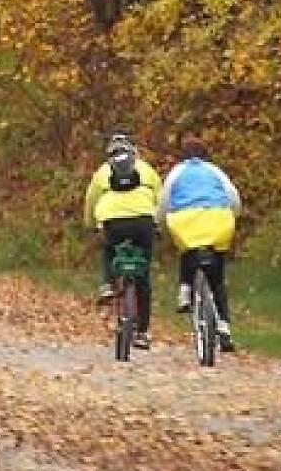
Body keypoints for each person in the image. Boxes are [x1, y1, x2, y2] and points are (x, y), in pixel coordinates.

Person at [159, 135, 243, 351]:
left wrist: (159, 223)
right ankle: (224, 328)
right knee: (218, 277)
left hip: (185, 220)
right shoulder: (215, 171)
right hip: (218, 218)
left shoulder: (177, 172)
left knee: (187, 248)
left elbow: (164, 201)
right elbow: (233, 197)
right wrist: (233, 215)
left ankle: (185, 289)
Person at [83, 131, 161, 349]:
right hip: (143, 221)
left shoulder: (102, 171)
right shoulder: (146, 169)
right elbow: (160, 197)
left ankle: (108, 283)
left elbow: (90, 200)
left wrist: (90, 223)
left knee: (109, 249)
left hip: (112, 222)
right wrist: (158, 223)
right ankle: (143, 333)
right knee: (143, 275)